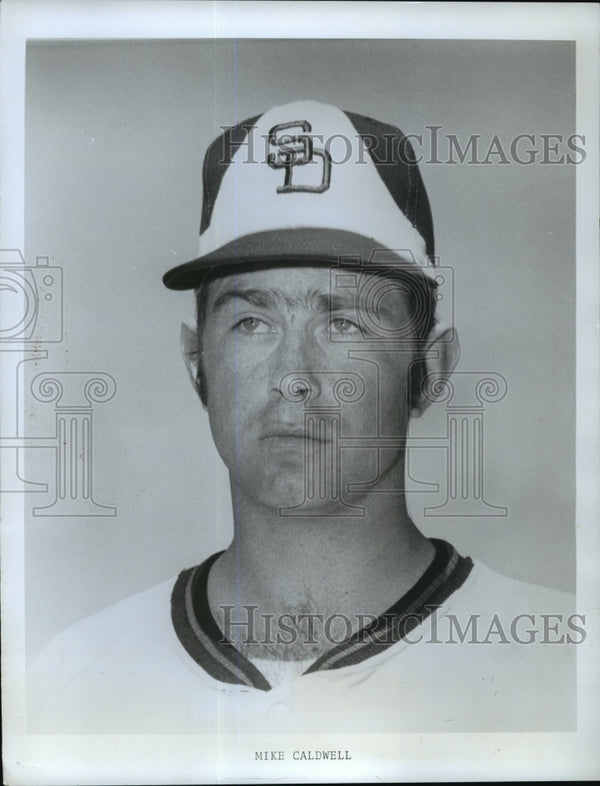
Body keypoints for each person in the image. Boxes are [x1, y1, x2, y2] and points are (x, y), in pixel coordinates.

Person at [29, 100, 576, 734]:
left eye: (343, 322)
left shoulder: (564, 668)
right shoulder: (68, 680)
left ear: (430, 368)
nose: (294, 375)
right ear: (193, 360)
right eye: (251, 322)